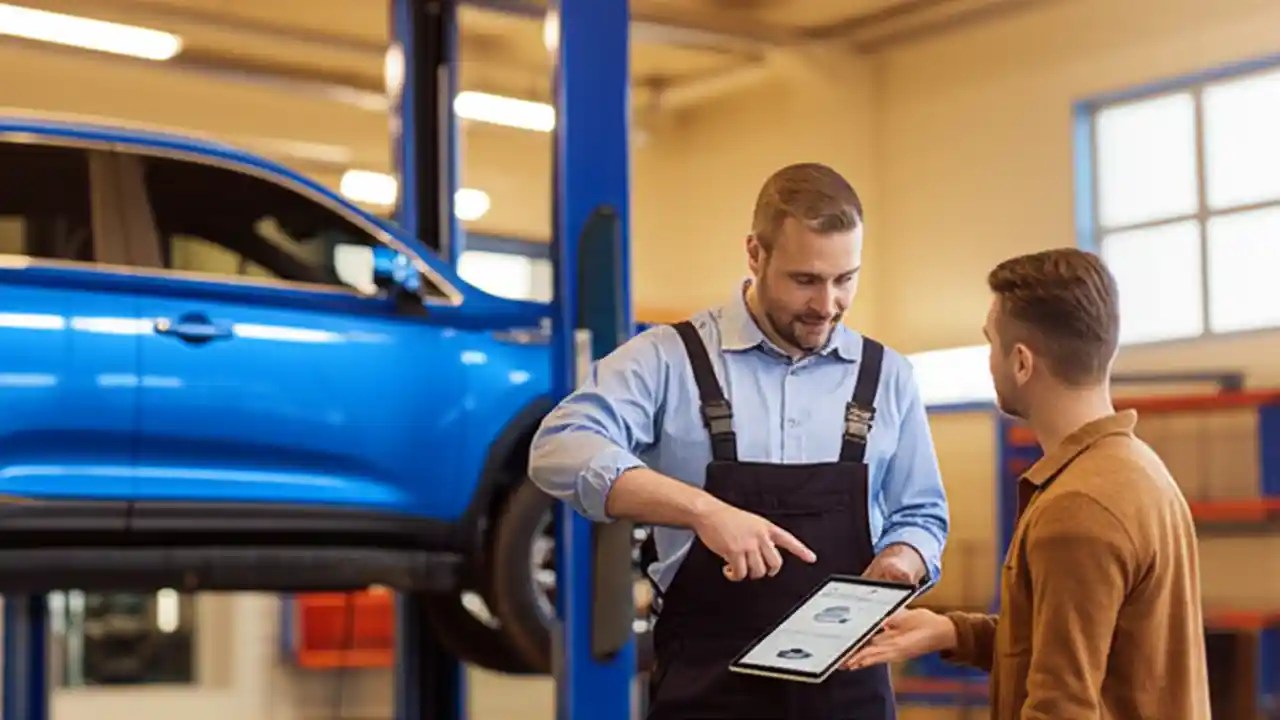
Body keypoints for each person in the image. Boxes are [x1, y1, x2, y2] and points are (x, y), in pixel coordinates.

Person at [527, 162, 950, 720]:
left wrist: (904, 557)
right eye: (805, 280)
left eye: (845, 279)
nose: (827, 304)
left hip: (849, 692)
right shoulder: (668, 360)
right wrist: (703, 511)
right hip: (706, 693)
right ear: (755, 253)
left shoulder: (887, 375)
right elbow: (559, 446)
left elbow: (922, 513)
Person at [842, 248, 1212, 719]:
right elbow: (1070, 645)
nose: (989, 361)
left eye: (990, 343)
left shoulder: (1079, 508)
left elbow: (1062, 705)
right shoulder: (1136, 468)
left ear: (1021, 362)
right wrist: (953, 633)